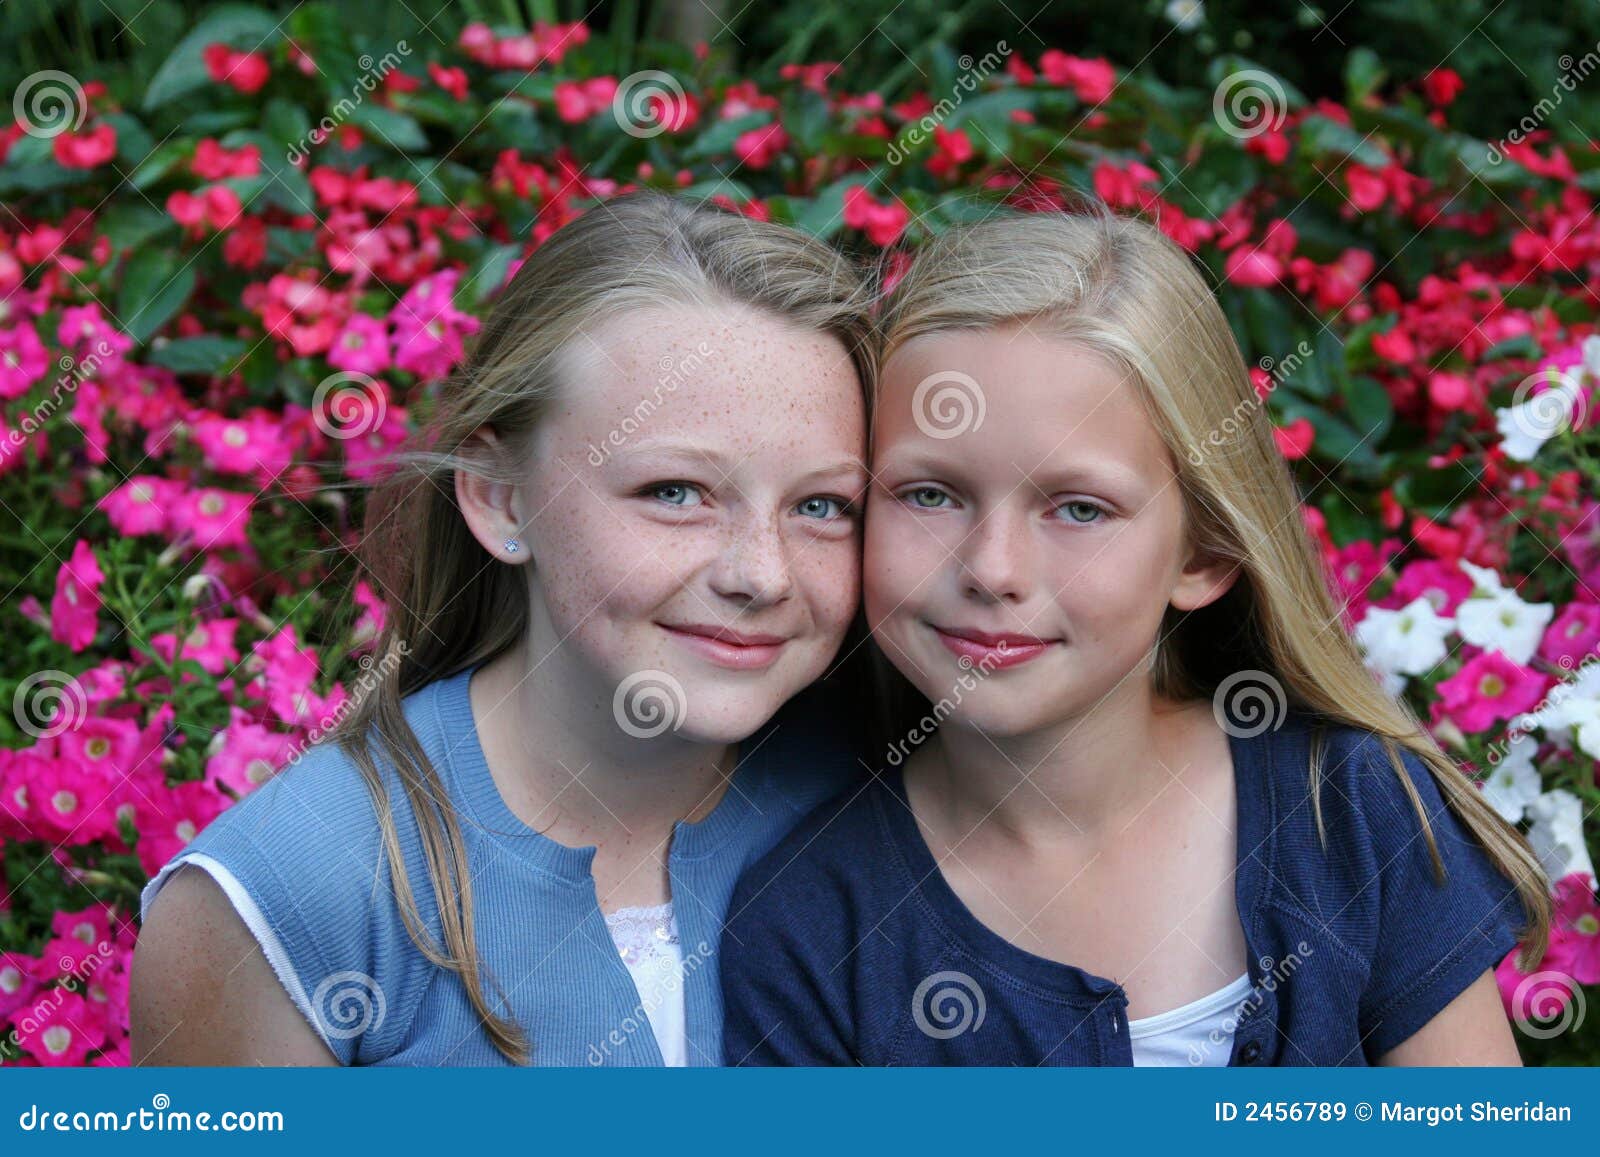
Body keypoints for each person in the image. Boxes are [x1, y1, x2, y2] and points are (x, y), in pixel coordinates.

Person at [721, 202, 1551, 1067]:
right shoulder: (809, 924)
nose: (993, 568)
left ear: (1203, 552)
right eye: (929, 494)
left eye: (1079, 508)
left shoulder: (1343, 807)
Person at [132, 192, 875, 1066]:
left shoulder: (870, 793)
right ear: (499, 495)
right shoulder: (295, 896)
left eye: (822, 505)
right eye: (675, 492)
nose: (762, 573)